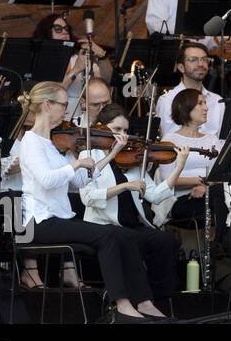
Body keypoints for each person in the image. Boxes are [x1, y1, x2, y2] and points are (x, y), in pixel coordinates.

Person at [15, 81, 165, 321]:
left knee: (125, 235)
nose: (66, 110)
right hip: (39, 222)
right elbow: (46, 180)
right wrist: (75, 163)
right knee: (107, 235)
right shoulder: (31, 142)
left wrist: (111, 155)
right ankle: (122, 304)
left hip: (58, 220)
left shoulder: (52, 145)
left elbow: (81, 181)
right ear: (47, 105)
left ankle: (144, 302)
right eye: (63, 105)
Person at [78, 103, 186, 311]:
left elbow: (154, 195)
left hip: (131, 225)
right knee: (132, 239)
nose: (123, 136)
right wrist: (124, 186)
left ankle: (159, 299)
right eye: (117, 129)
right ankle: (141, 302)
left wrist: (178, 166)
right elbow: (88, 197)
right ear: (101, 127)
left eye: (125, 131)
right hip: (104, 225)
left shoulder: (131, 159)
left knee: (166, 241)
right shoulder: (90, 156)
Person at [158, 88, 223, 222]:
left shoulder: (212, 140)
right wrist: (198, 181)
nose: (206, 108)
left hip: (209, 194)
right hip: (181, 200)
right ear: (184, 107)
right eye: (200, 103)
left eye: (205, 103)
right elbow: (166, 180)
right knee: (221, 197)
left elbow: (221, 173)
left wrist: (205, 187)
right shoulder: (170, 140)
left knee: (228, 194)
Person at [32, 13, 112, 112]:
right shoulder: (43, 60)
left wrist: (102, 56)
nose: (64, 32)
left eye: (66, 29)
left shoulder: (78, 56)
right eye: (58, 28)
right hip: (54, 114)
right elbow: (52, 94)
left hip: (82, 115)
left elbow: (107, 80)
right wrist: (76, 69)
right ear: (46, 32)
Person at [155, 42, 224, 137]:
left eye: (204, 59)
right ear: (181, 67)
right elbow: (169, 141)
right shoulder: (167, 100)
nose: (201, 64)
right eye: (193, 60)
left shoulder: (218, 101)